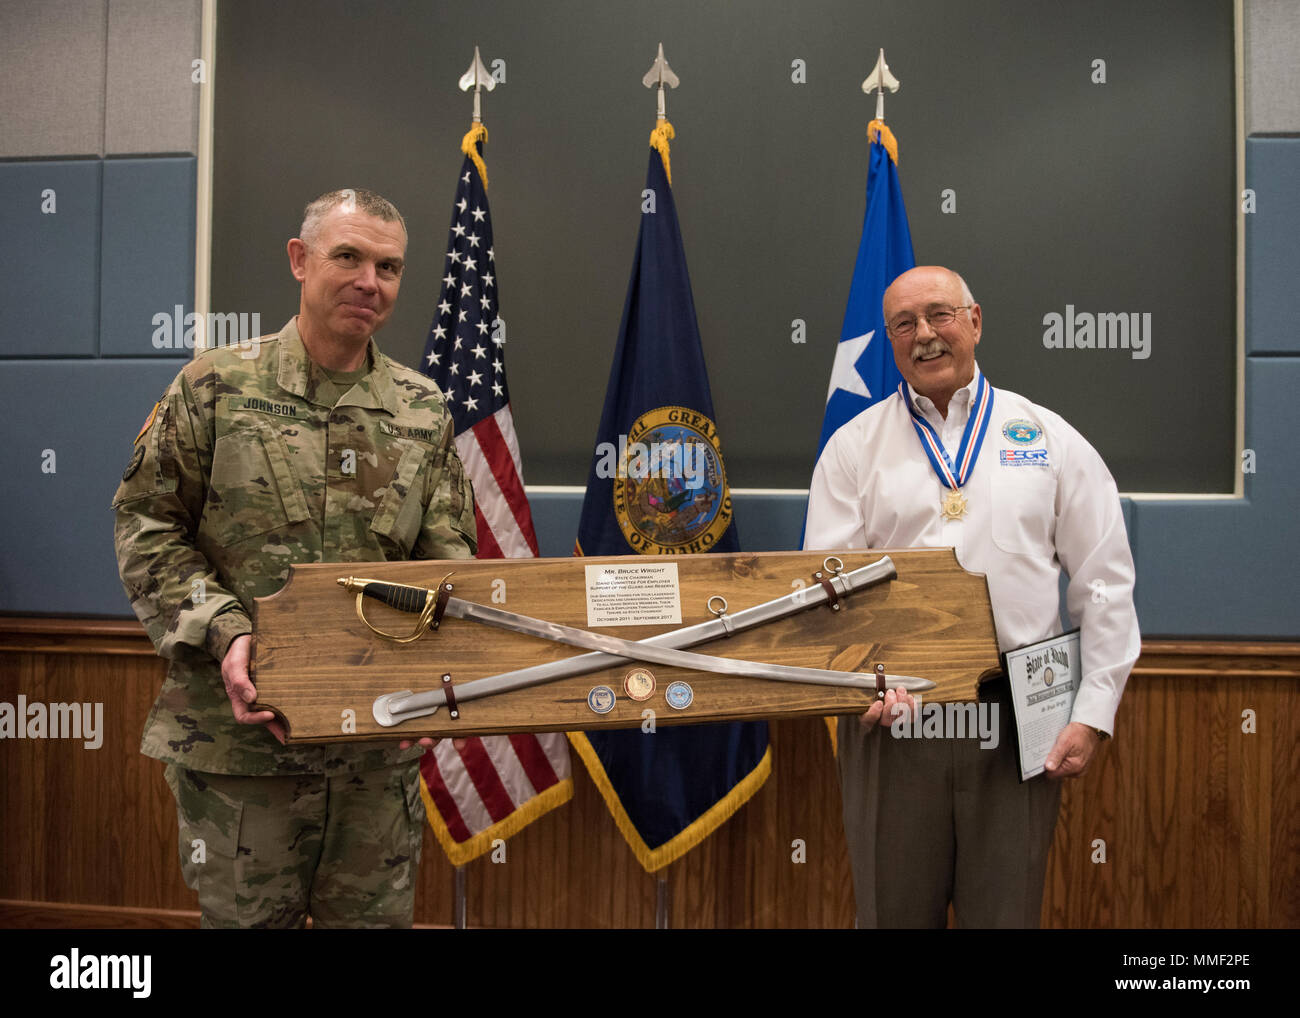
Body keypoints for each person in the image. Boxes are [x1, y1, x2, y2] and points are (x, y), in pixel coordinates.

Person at [112, 188, 476, 928]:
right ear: (299, 260)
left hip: (376, 753)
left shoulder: (421, 408)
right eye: (348, 256)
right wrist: (224, 630)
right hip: (242, 752)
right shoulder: (215, 387)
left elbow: (447, 562)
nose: (369, 281)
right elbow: (147, 523)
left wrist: (446, 676)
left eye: (389, 266)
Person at [804, 265, 1140, 928]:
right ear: (891, 340)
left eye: (939, 315)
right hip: (896, 721)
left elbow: (1104, 579)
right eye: (904, 324)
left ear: (975, 321)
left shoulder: (1048, 437)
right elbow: (827, 591)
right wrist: (857, 686)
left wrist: (1094, 710)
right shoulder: (852, 450)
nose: (924, 335)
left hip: (1022, 720)